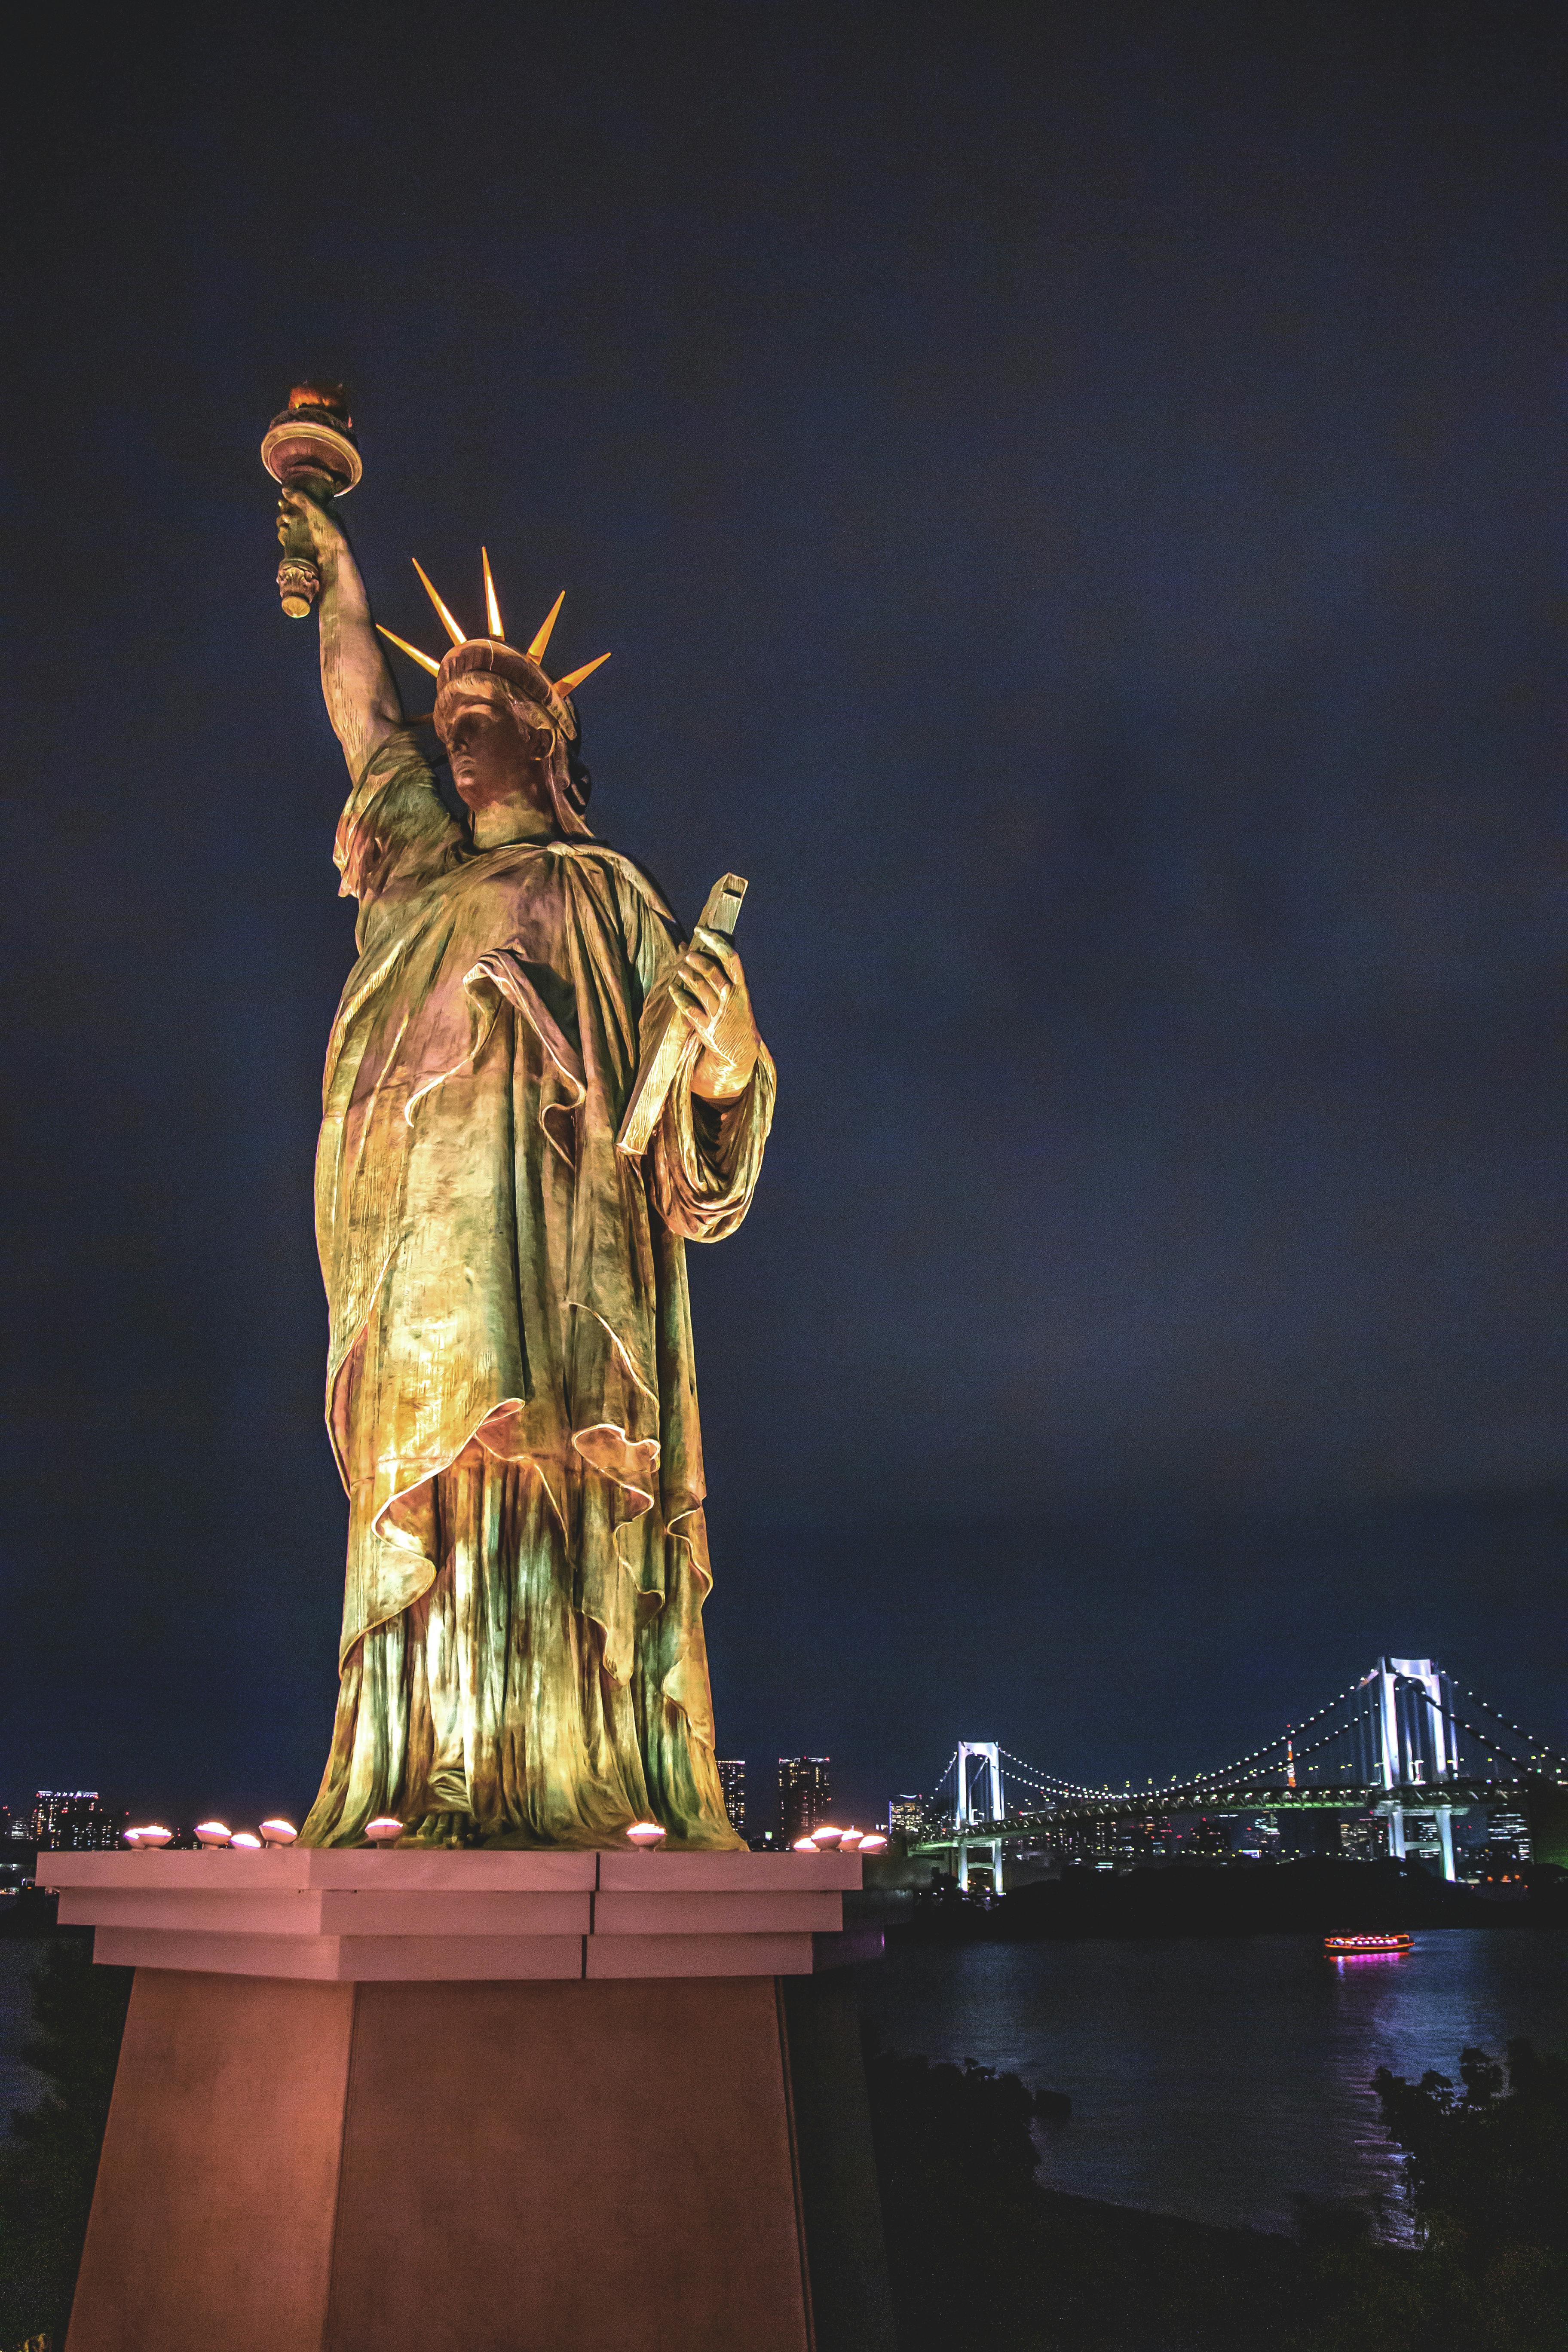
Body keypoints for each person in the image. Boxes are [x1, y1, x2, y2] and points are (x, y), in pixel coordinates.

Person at [277, 487, 772, 1848]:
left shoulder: (610, 895)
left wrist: (725, 1049)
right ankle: (434, 1763)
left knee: (544, 1468)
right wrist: (333, 571)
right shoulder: (419, 874)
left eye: (481, 722)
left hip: (567, 1257)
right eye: (450, 729)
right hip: (421, 1247)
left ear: (549, 738)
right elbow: (359, 707)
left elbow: (694, 1149)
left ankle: (571, 1764)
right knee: (438, 1483)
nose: (456, 745)